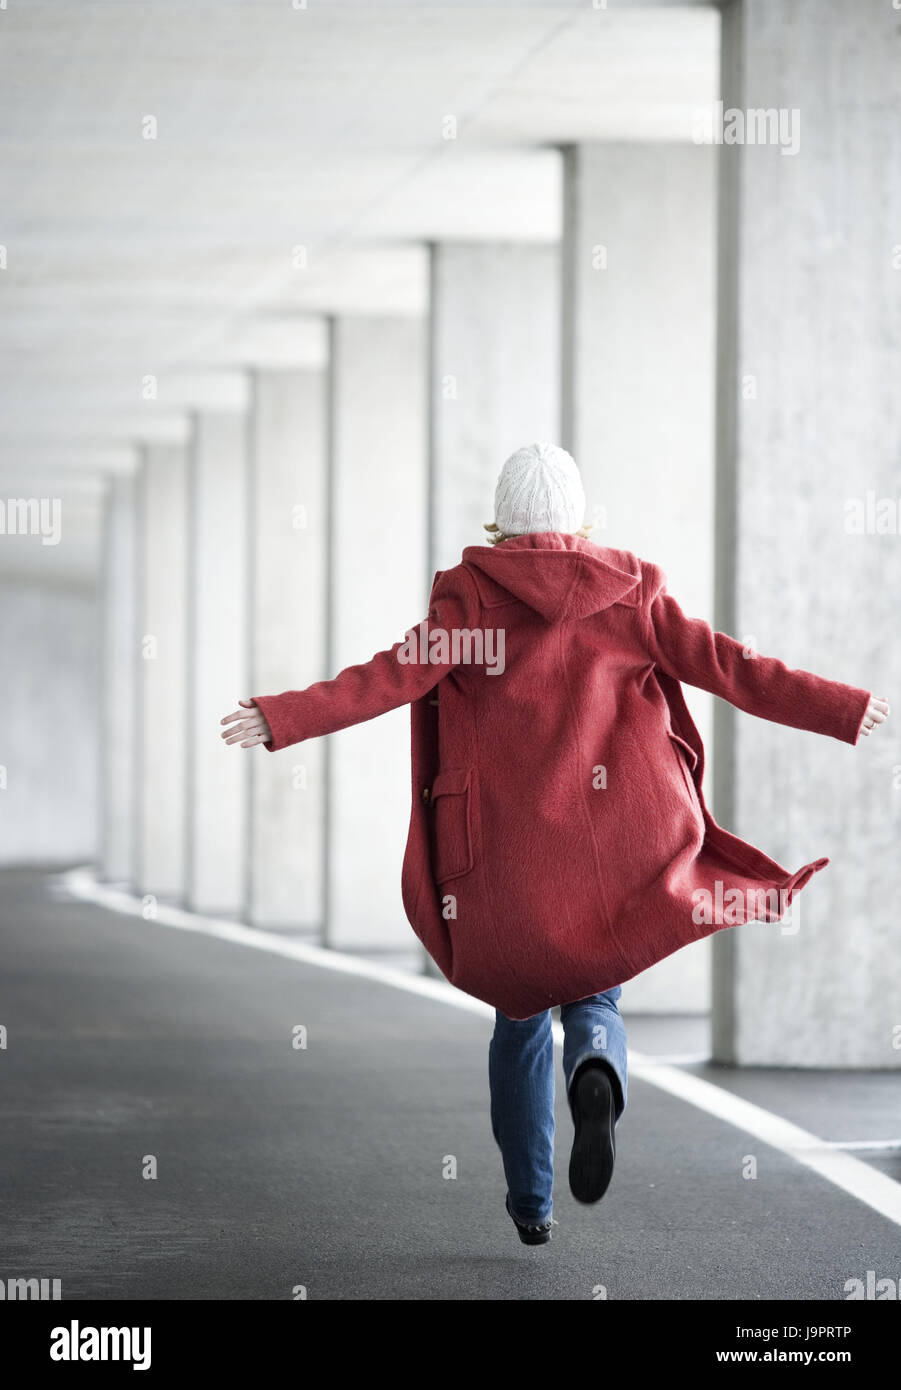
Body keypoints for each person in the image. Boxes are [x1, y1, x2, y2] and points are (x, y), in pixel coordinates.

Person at [221, 442, 889, 1245]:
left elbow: (387, 677)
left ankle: (531, 1205)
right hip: (618, 849)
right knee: (595, 993)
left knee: (520, 1011)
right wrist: (840, 708)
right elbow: (733, 668)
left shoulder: (469, 605)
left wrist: (281, 717)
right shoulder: (633, 593)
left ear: (498, 526)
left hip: (506, 866)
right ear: (581, 522)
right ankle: (596, 1069)